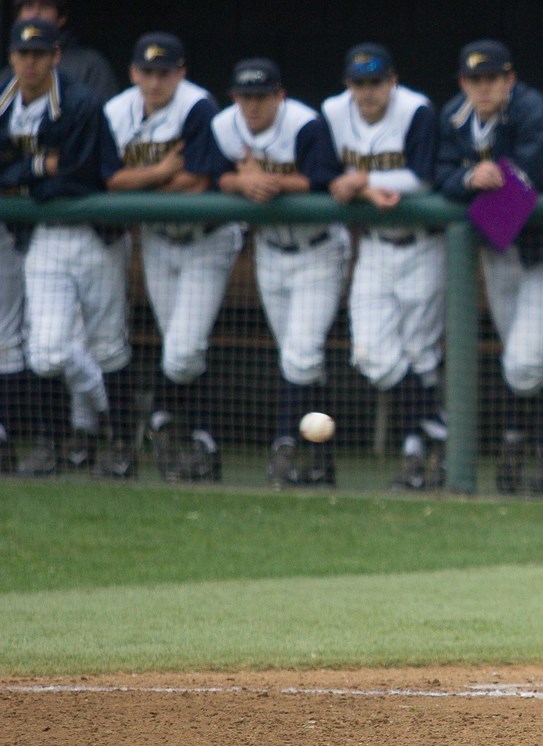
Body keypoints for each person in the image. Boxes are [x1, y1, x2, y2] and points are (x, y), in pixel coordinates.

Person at [435, 39, 543, 495]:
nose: (483, 87)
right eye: (474, 79)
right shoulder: (455, 115)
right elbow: (437, 172)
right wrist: (467, 177)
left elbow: (518, 194)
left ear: (509, 79)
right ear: (463, 82)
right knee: (520, 358)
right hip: (499, 256)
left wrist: (475, 187)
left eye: (492, 78)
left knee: (524, 359)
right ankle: (538, 450)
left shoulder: (536, 113)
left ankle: (534, 446)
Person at [1, 18, 132, 478]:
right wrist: (40, 166)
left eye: (39, 54)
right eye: (22, 54)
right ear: (11, 57)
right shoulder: (3, 99)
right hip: (45, 236)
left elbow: (76, 176)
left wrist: (19, 173)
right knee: (46, 352)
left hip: (95, 234)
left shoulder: (80, 103)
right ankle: (65, 434)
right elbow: (49, 175)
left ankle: (121, 446)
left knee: (108, 345)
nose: (30, 63)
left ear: (56, 56)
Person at [102, 32, 235, 482]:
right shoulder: (116, 111)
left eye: (164, 73)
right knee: (180, 346)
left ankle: (161, 413)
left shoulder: (197, 106)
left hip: (206, 239)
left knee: (182, 350)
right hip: (158, 240)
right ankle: (200, 439)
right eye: (147, 72)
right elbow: (107, 181)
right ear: (133, 73)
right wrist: (160, 172)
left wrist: (135, 180)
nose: (155, 81)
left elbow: (197, 181)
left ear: (180, 73)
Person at [207, 58, 345, 487]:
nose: (252, 105)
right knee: (298, 356)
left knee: (300, 353)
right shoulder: (224, 125)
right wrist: (239, 182)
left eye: (261, 96)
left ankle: (284, 443)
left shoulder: (305, 124)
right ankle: (321, 457)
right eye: (245, 96)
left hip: (317, 248)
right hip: (269, 250)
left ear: (279, 96)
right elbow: (211, 174)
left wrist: (270, 181)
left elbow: (323, 180)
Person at [323, 43, 445, 490]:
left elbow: (423, 177)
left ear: (392, 82)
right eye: (359, 83)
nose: (368, 91)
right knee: (370, 353)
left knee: (420, 354)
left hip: (422, 245)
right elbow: (324, 174)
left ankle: (416, 456)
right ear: (348, 85)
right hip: (374, 246)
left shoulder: (416, 111)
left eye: (376, 82)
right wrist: (362, 189)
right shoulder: (333, 112)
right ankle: (438, 426)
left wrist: (363, 179)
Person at [9, 0, 116, 99]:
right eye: (29, 6)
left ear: (61, 18)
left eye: (45, 6)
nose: (35, 14)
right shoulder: (8, 75)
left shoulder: (91, 66)